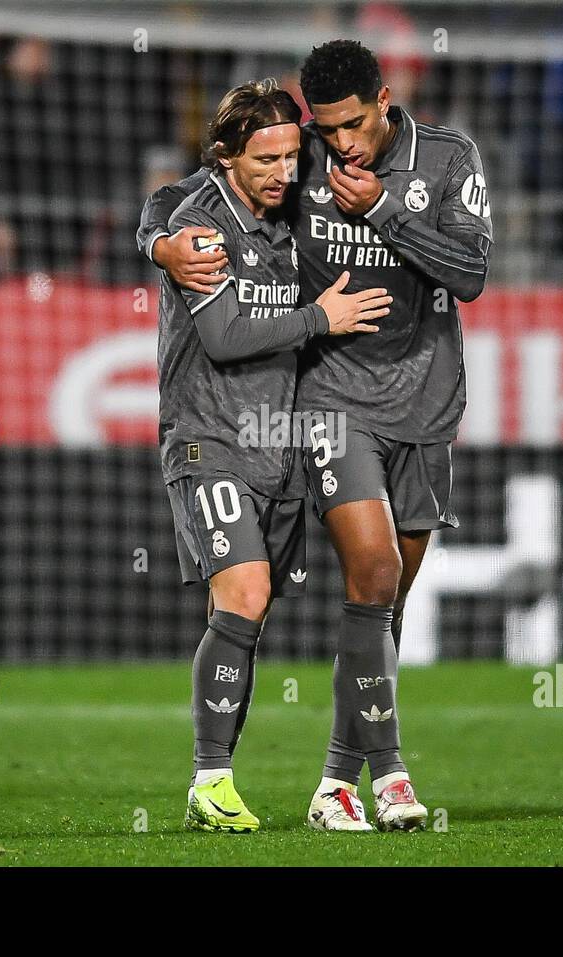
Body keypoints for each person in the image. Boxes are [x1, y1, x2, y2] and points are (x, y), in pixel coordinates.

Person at [140, 40, 493, 832]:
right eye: (323, 132)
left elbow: (469, 273)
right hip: (328, 404)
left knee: (386, 595)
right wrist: (157, 243)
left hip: (426, 405)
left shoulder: (444, 159)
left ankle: (336, 782)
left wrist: (383, 211)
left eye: (349, 126)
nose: (338, 146)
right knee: (355, 571)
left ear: (384, 98)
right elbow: (187, 195)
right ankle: (377, 772)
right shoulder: (293, 174)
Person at [157, 78, 391, 833]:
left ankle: (217, 781)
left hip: (277, 447)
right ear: (225, 159)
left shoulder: (294, 213)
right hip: (209, 439)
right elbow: (224, 338)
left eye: (293, 155)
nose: (284, 171)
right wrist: (320, 317)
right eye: (266, 159)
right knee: (246, 592)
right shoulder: (200, 227)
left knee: (244, 616)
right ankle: (209, 777)